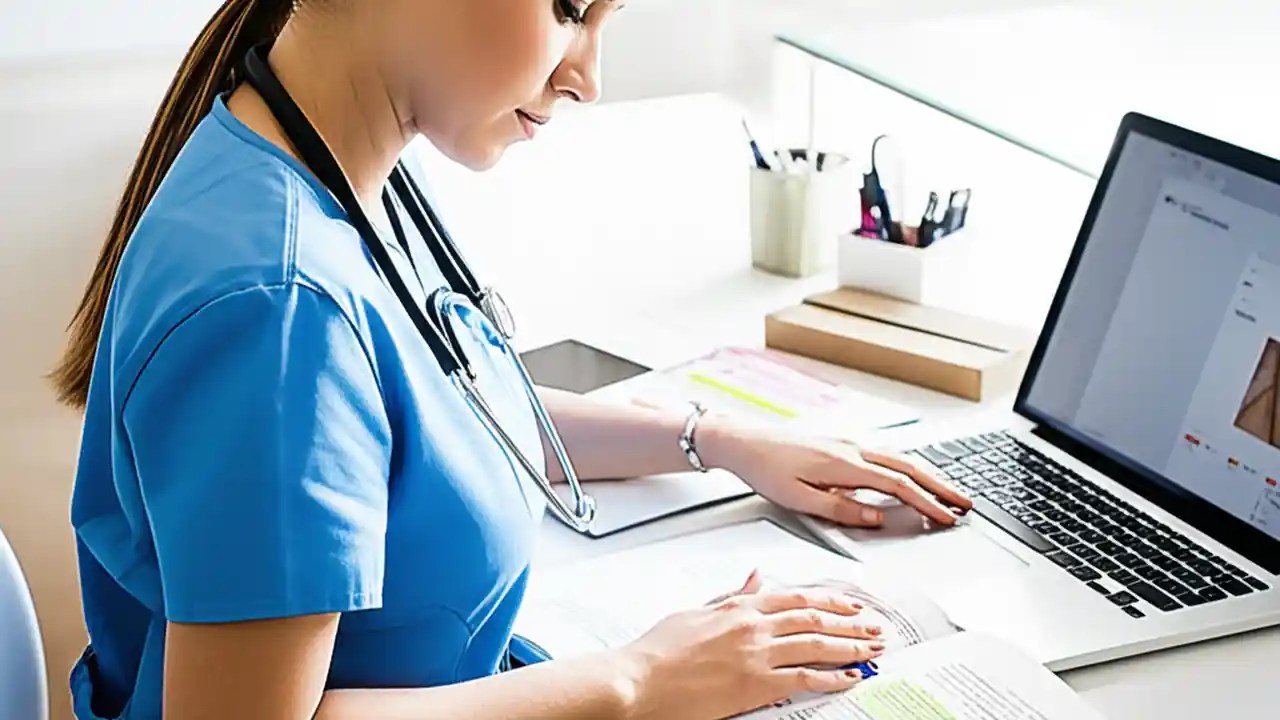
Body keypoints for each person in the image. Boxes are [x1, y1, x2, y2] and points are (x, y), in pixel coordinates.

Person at [54, 1, 972, 718]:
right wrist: (641, 683)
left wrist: (716, 440)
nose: (589, 77)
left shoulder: (332, 159)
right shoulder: (278, 309)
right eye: (571, 8)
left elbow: (438, 412)